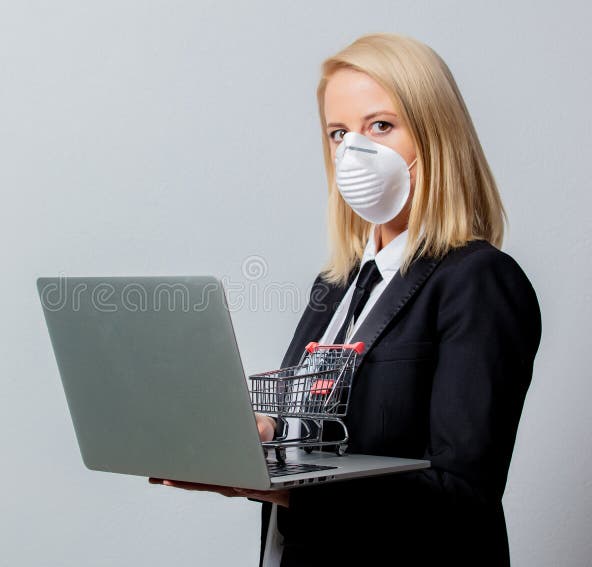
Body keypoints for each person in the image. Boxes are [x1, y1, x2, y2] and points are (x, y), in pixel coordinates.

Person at [150, 32, 541, 566]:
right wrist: (264, 437)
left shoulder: (478, 281)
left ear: (435, 135)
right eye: (339, 133)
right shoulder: (335, 285)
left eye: (380, 125)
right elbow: (326, 437)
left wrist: (284, 489)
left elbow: (462, 500)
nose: (353, 151)